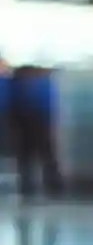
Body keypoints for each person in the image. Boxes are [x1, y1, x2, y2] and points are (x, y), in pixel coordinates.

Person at [11, 65, 64, 197]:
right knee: (40, 154)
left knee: (30, 155)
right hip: (35, 120)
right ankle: (49, 185)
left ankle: (32, 185)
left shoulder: (17, 86)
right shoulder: (43, 85)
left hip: (29, 120)